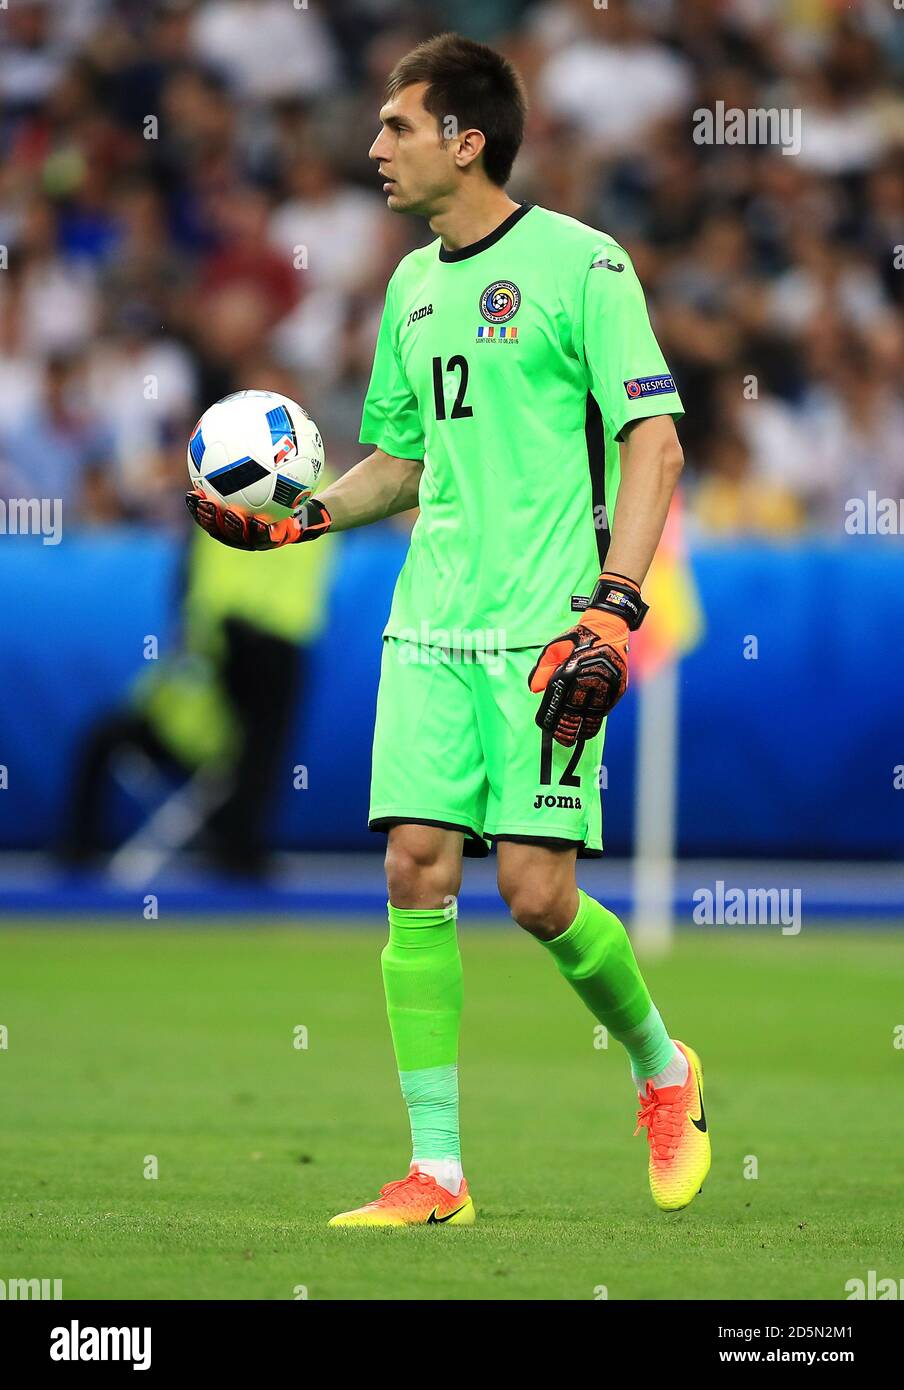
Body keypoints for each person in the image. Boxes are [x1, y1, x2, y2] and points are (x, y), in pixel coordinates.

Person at [187, 32, 708, 1226]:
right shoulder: (410, 288)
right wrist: (299, 519)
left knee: (534, 895)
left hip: (545, 632)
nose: (373, 147)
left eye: (396, 127)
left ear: (464, 142)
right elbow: (406, 463)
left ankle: (662, 1067)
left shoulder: (586, 265)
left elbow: (656, 443)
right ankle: (437, 1173)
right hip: (427, 625)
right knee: (413, 869)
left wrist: (610, 610)